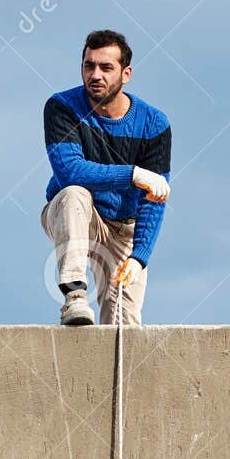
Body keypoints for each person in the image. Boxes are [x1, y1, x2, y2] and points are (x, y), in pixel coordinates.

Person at [41, 30, 171, 326]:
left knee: (123, 326)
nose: (95, 75)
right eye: (89, 66)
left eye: (106, 67)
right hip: (76, 214)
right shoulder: (62, 107)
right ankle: (74, 294)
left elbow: (154, 198)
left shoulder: (154, 123)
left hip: (124, 226)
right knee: (75, 192)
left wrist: (139, 256)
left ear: (126, 74)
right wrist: (133, 174)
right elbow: (69, 170)